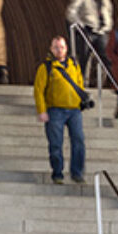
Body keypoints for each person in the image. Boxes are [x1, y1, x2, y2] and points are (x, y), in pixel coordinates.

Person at [34, 36, 87, 184]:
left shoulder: (74, 64)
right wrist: (42, 110)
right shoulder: (46, 67)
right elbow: (38, 90)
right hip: (55, 110)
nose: (59, 50)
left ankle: (77, 172)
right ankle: (57, 173)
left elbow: (79, 83)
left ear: (66, 48)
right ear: (51, 49)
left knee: (79, 141)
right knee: (56, 144)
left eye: (62, 47)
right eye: (56, 47)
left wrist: (81, 100)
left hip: (74, 110)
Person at [65, 0, 114, 88]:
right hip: (86, 30)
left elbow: (109, 14)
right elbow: (71, 11)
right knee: (83, 58)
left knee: (106, 58)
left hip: (101, 32)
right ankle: (81, 83)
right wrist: (80, 24)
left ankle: (108, 83)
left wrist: (107, 26)